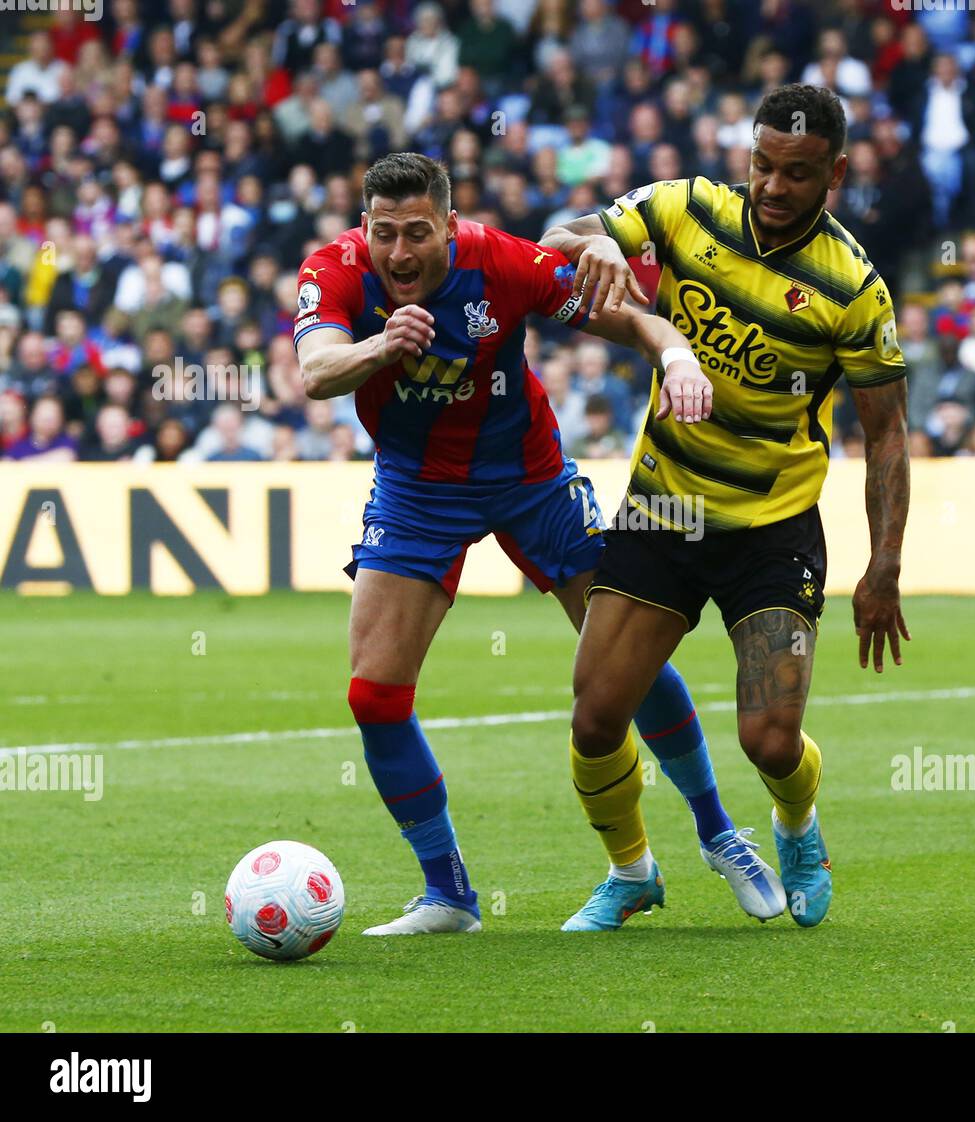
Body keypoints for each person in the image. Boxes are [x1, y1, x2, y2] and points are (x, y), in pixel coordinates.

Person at [294, 153, 779, 936]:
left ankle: (719, 831)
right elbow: (316, 372)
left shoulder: (505, 262)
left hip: (532, 479)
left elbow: (628, 316)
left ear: (450, 225)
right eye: (385, 234)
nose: (401, 253)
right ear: (364, 229)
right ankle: (448, 894)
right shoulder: (335, 270)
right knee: (373, 695)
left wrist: (676, 353)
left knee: (629, 659)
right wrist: (379, 348)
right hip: (417, 490)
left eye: (419, 233)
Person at [541, 85, 910, 931]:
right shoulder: (684, 209)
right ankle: (632, 872)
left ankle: (797, 825)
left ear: (837, 174)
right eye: (763, 166)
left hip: (771, 525)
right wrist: (586, 246)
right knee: (596, 718)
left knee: (770, 743)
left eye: (799, 173)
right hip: (666, 507)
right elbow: (561, 240)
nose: (774, 187)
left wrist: (882, 563)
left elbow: (885, 433)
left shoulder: (853, 286)